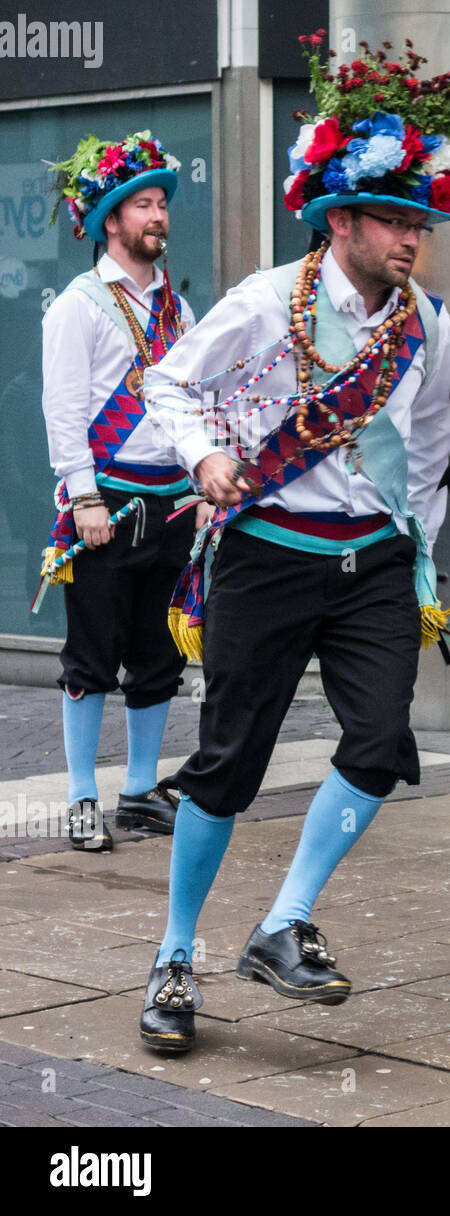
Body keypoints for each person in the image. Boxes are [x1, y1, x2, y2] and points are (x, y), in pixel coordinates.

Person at [135, 34, 450, 1053]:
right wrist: (202, 459)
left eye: (420, 219)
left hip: (369, 561)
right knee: (228, 764)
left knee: (380, 745)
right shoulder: (259, 301)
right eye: (392, 217)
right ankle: (174, 955)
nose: (411, 236)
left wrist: (414, 540)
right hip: (267, 552)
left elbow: (430, 441)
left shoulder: (428, 321)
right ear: (340, 220)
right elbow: (169, 386)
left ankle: (282, 922)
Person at [40, 131, 198, 851]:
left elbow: (193, 400)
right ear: (111, 220)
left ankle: (137, 792)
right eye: (143, 205)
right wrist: (83, 498)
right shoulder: (78, 304)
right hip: (105, 504)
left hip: (170, 506)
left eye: (162, 203)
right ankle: (79, 798)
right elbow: (64, 408)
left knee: (158, 654)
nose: (158, 216)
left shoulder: (177, 309)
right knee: (90, 657)